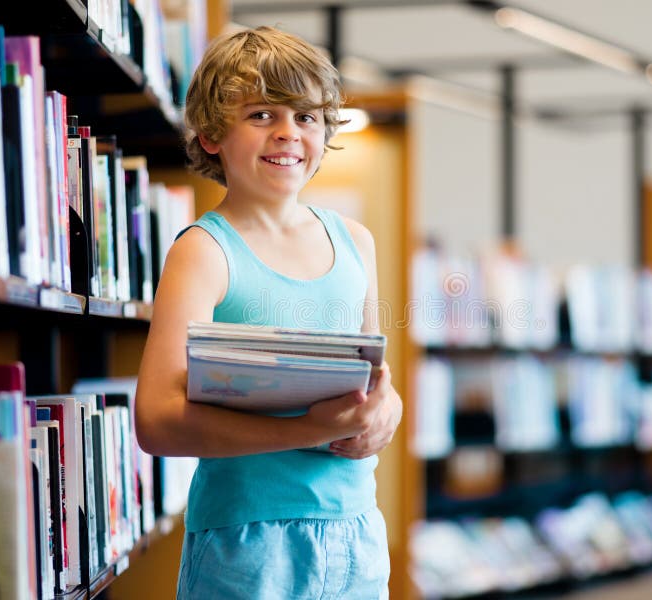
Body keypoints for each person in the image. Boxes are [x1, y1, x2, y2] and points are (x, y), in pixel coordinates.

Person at [134, 25, 402, 599]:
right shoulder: (203, 251)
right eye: (261, 115)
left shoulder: (356, 241)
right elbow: (156, 419)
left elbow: (378, 381)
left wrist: (386, 415)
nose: (288, 133)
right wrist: (310, 429)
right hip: (247, 541)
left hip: (355, 533)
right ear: (210, 134)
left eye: (306, 117)